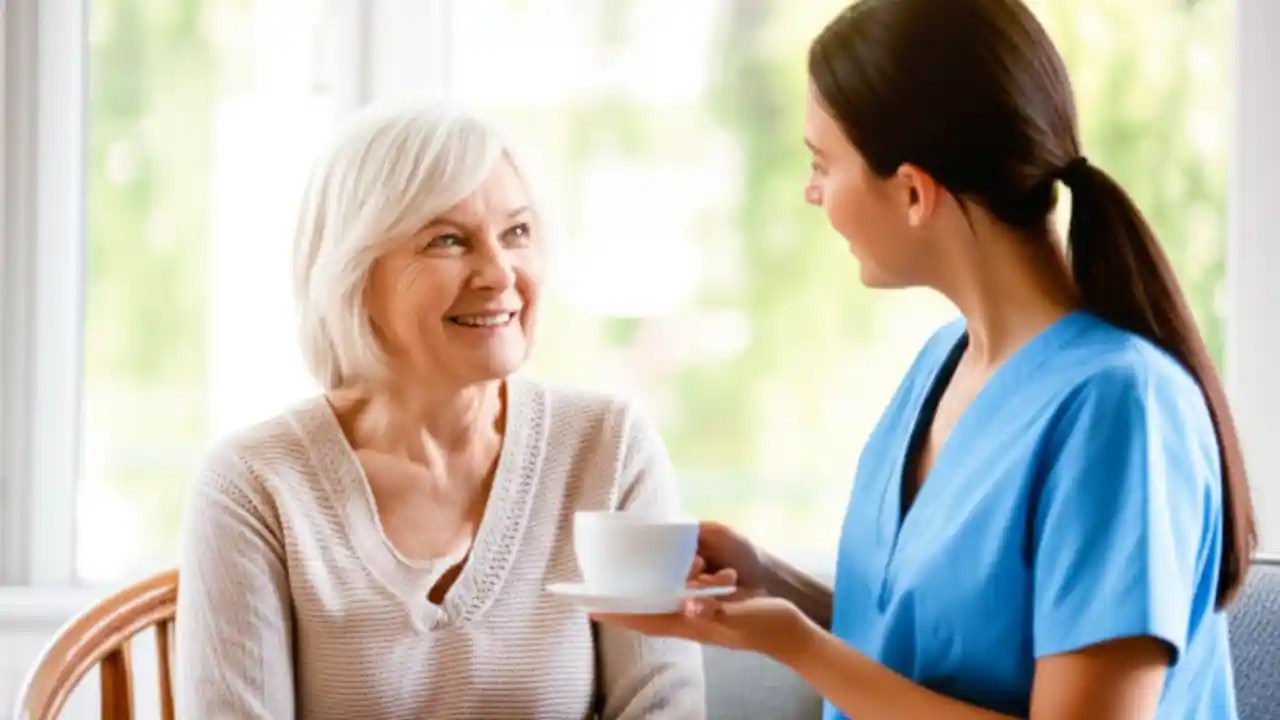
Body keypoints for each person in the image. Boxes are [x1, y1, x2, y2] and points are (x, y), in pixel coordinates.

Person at [595, 1, 1256, 718]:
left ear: (913, 191)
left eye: (823, 164)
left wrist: (800, 646)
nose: (812, 193)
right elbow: (937, 642)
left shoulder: (1122, 409)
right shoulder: (942, 365)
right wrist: (772, 587)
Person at [174, 105, 705, 719]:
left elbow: (664, 709)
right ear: (353, 274)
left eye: (517, 233)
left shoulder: (608, 447)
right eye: (448, 240)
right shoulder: (255, 483)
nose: (500, 272)